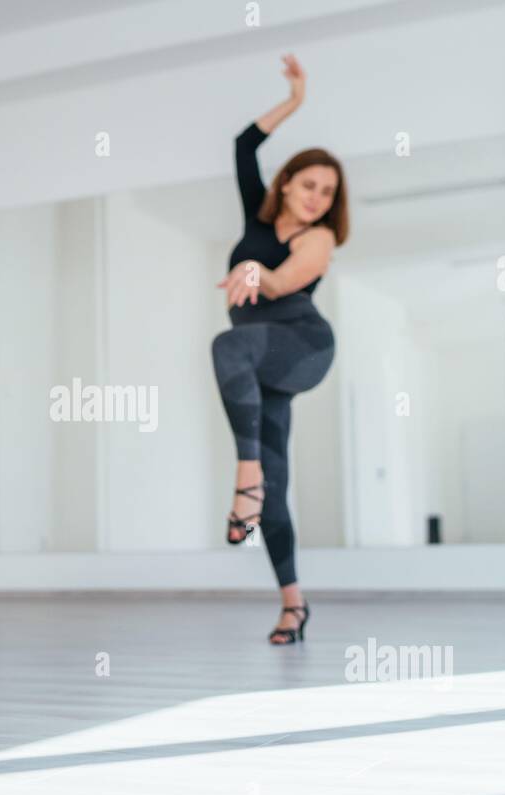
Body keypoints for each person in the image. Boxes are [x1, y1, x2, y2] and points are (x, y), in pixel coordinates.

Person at [211, 54, 345, 644]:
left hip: (302, 346)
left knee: (227, 344)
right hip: (261, 359)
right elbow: (244, 145)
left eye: (328, 191)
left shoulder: (320, 238)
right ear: (286, 181)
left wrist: (252, 271)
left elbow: (286, 281)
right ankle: (294, 604)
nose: (318, 197)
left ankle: (245, 482)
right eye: (310, 184)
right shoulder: (256, 213)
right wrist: (296, 100)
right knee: (279, 486)